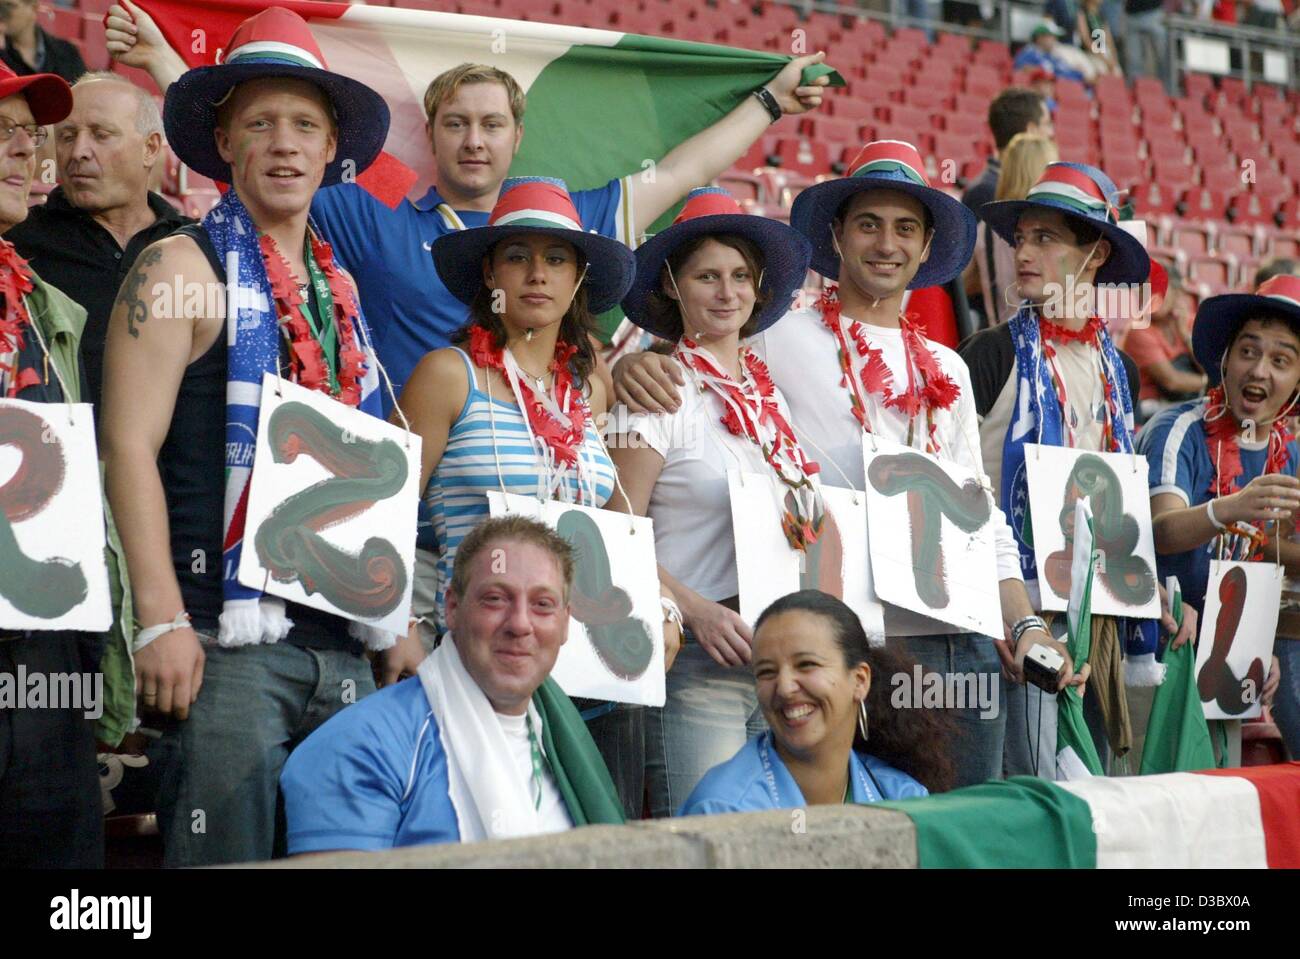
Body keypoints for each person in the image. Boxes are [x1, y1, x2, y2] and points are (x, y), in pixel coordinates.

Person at [613, 142, 1078, 790]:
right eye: (868, 223)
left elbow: (982, 513)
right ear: (836, 235)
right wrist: (629, 367)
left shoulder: (948, 367)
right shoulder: (775, 337)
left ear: (924, 249)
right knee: (863, 830)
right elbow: (695, 359)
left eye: (905, 229)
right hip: (858, 642)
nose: (886, 244)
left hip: (962, 638)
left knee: (966, 831)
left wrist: (1022, 621)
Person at [103, 0, 832, 410]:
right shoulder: (374, 214)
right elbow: (268, 159)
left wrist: (771, 100)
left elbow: (685, 169)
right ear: (432, 133)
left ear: (518, 138)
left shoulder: (570, 225)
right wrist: (165, 61)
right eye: (455, 123)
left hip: (541, 480)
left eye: (491, 126)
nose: (474, 142)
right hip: (414, 502)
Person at [100, 8, 395, 867]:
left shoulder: (338, 289)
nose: (284, 143)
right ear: (223, 140)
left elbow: (363, 458)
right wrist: (159, 618)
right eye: (260, 122)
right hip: (221, 643)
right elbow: (127, 447)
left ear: (331, 143)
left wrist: (393, 615)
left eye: (305, 124)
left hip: (339, 639)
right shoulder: (178, 266)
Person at [393, 175, 674, 817]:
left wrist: (664, 609)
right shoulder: (446, 376)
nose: (536, 274)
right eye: (517, 257)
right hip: (478, 662)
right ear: (490, 271)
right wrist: (399, 622)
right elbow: (384, 512)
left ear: (578, 279)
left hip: (591, 670)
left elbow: (607, 534)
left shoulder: (590, 393)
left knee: (602, 849)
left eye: (555, 259)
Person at [961, 161, 1193, 778]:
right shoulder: (988, 355)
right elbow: (956, 492)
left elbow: (1124, 499)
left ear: (1094, 254)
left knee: (1097, 803)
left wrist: (1156, 593)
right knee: (1030, 798)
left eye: (1046, 239)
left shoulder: (1121, 371)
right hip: (1008, 625)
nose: (1024, 254)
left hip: (1103, 627)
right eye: (1021, 239)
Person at [604, 185, 816, 814]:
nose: (727, 294)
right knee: (708, 846)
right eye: (706, 276)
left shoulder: (771, 395)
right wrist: (694, 611)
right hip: (697, 661)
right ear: (671, 285)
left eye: (740, 277)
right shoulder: (655, 391)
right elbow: (615, 532)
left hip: (778, 663)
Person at [280, 516, 624, 851]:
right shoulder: (360, 744)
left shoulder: (565, 749)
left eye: (542, 604)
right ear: (452, 608)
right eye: (495, 598)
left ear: (565, 623)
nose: (520, 623)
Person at [0, 57, 107, 869]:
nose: (22, 156)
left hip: (45, 641)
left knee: (59, 861)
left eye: (23, 137)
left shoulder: (40, 300)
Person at [1136, 275, 1299, 757]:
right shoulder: (1177, 429)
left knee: (1219, 804)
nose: (1260, 370)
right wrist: (1230, 508)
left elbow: (1262, 557)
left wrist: (1258, 646)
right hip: (1164, 649)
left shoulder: (1285, 452)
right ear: (1224, 358)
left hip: (1230, 662)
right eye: (1248, 351)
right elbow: (1162, 531)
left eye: (1281, 360)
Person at [7, 70, 189, 413]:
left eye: (101, 135)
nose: (78, 152)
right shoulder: (17, 244)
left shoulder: (195, 249)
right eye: (67, 136)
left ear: (150, 148)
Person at [679, 590, 947, 816]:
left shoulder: (903, 798)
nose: (784, 688)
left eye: (806, 665)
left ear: (860, 680)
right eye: (766, 672)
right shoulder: (723, 811)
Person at [966, 131, 1058, 324]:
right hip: (1046, 342)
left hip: (1001, 341)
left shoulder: (985, 230)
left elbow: (965, 284)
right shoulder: (1053, 232)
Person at [1122, 262, 1207, 422]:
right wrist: (1210, 384)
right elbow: (1172, 381)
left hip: (1186, 405)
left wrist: (1185, 336)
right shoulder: (1139, 330)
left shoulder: (1190, 323)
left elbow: (1209, 367)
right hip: (1150, 412)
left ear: (1178, 294)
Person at [0, 0, 84, 84]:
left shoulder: (67, 52)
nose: (1, 14)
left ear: (33, 8)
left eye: (9, 5)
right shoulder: (2, 55)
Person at [1012, 23, 1088, 84]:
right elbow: (1021, 70)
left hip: (1072, 87)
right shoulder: (1028, 54)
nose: (1055, 40)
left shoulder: (1052, 55)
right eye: (1051, 37)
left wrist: (1078, 72)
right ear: (1040, 37)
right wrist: (1041, 72)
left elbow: (1065, 71)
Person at [1124, 0, 1169, 88]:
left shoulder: (1098, 18)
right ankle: (1135, 90)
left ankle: (1166, 90)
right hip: (1131, 14)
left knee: (1163, 56)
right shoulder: (1097, 15)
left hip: (1153, 12)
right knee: (1134, 61)